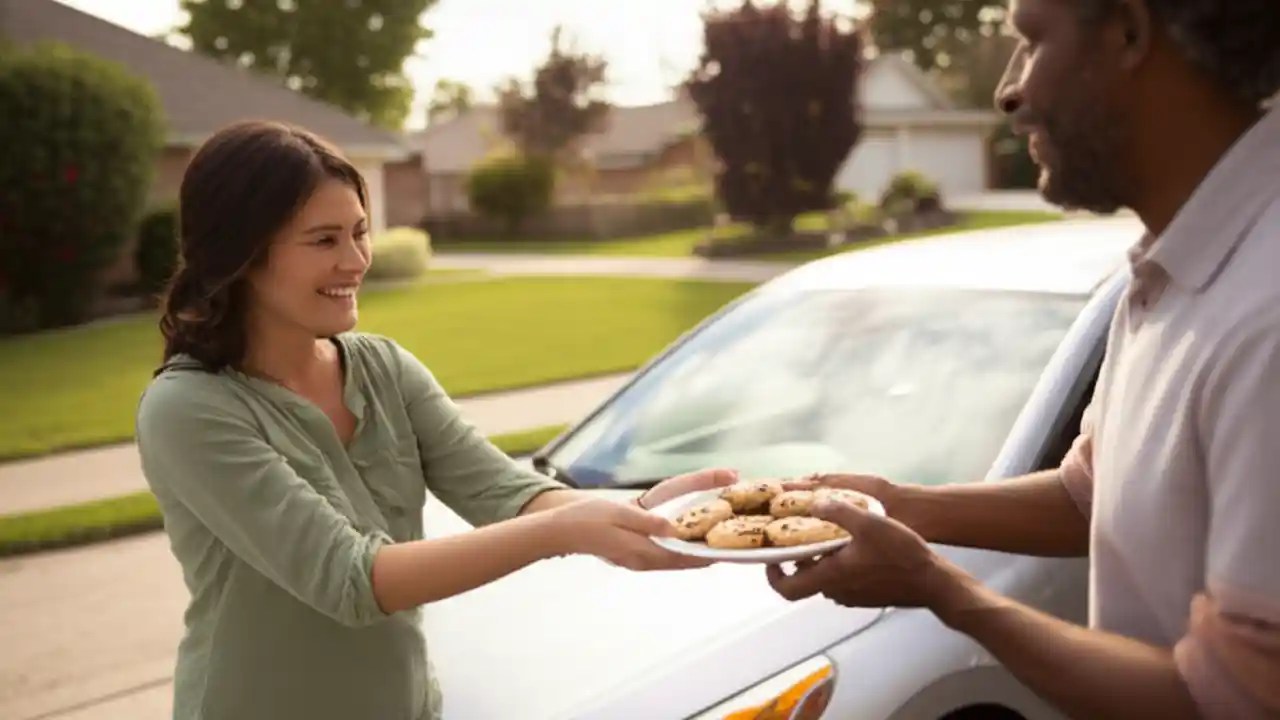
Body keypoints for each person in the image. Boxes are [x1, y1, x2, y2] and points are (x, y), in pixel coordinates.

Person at [766, 0, 1280, 718]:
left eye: (1032, 43)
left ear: (1129, 31)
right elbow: (1091, 495)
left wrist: (938, 588)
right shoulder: (1175, 267)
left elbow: (1222, 703)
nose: (1009, 90)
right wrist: (899, 506)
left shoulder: (1266, 312)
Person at [135, 119, 734, 720]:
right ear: (241, 255)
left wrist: (635, 516)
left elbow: (504, 492)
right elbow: (352, 581)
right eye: (323, 241)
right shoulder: (188, 410)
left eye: (360, 233)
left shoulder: (383, 368)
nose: (355, 261)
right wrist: (565, 531)